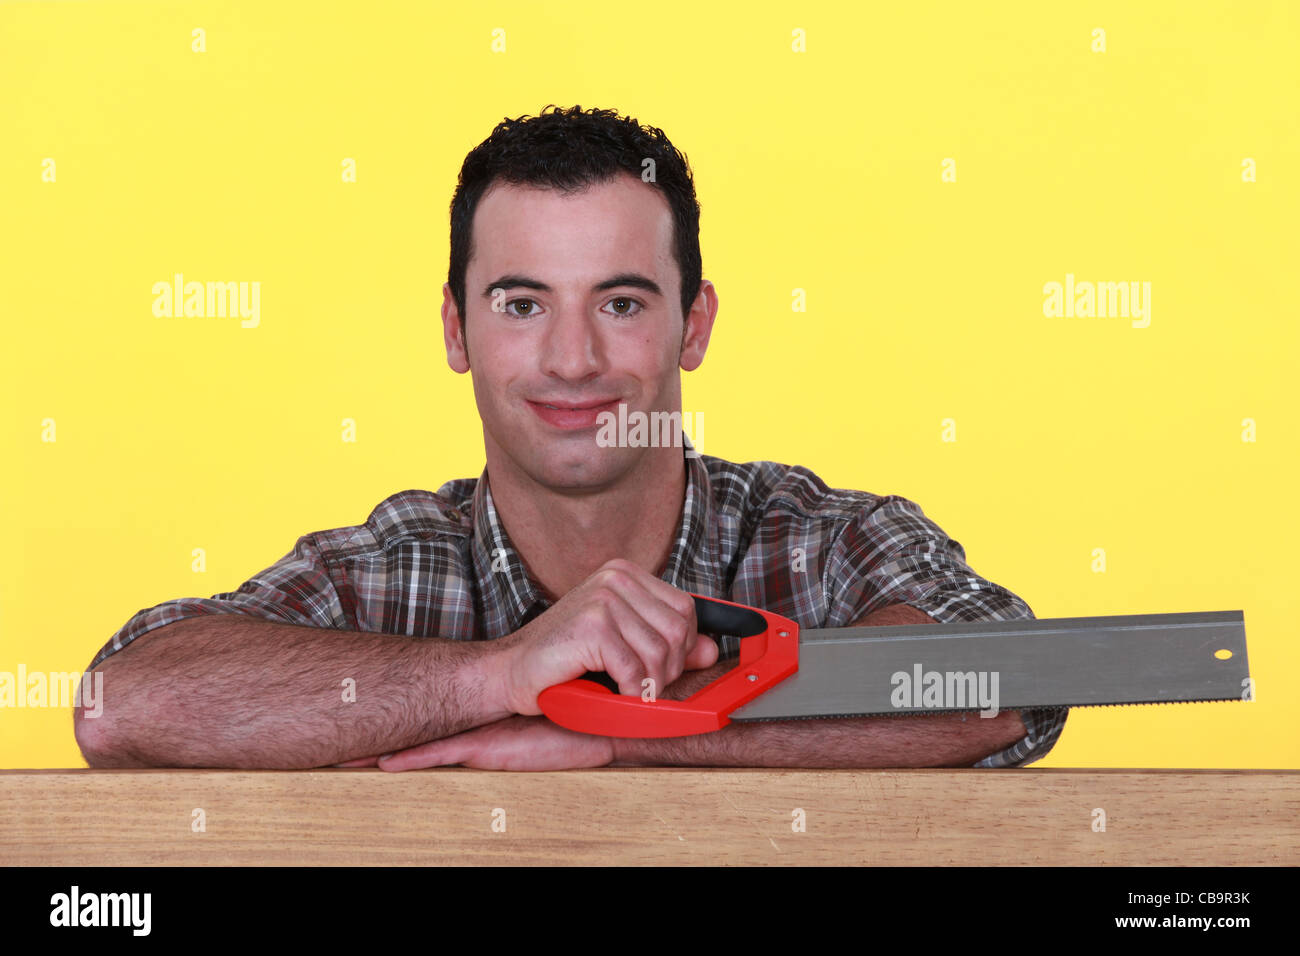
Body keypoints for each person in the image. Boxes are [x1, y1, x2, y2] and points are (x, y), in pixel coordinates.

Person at [74, 105, 1067, 771]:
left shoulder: (818, 539)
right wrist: (498, 675)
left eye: (622, 300)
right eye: (521, 304)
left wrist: (613, 730)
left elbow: (1009, 678)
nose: (571, 359)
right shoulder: (390, 569)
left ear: (696, 323)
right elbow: (121, 703)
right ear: (456, 330)